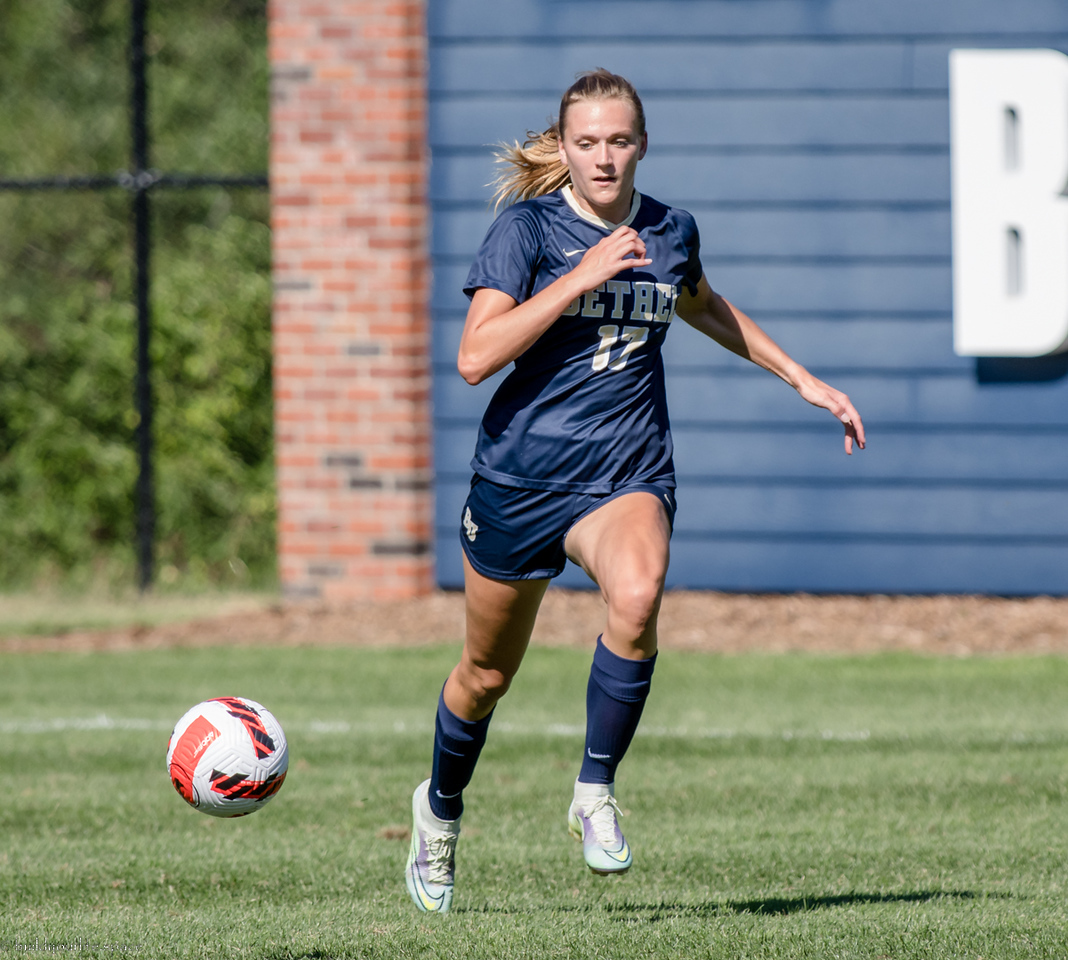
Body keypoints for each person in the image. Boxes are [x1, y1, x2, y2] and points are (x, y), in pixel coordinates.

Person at [405, 69, 865, 914]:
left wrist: (802, 378)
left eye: (620, 141)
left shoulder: (670, 228)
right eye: (587, 142)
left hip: (625, 471)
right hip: (520, 479)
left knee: (641, 591)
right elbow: (475, 359)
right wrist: (578, 277)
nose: (605, 157)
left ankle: (594, 792)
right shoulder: (527, 230)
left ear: (642, 144)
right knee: (484, 675)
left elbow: (703, 305)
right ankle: (438, 816)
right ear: (566, 148)